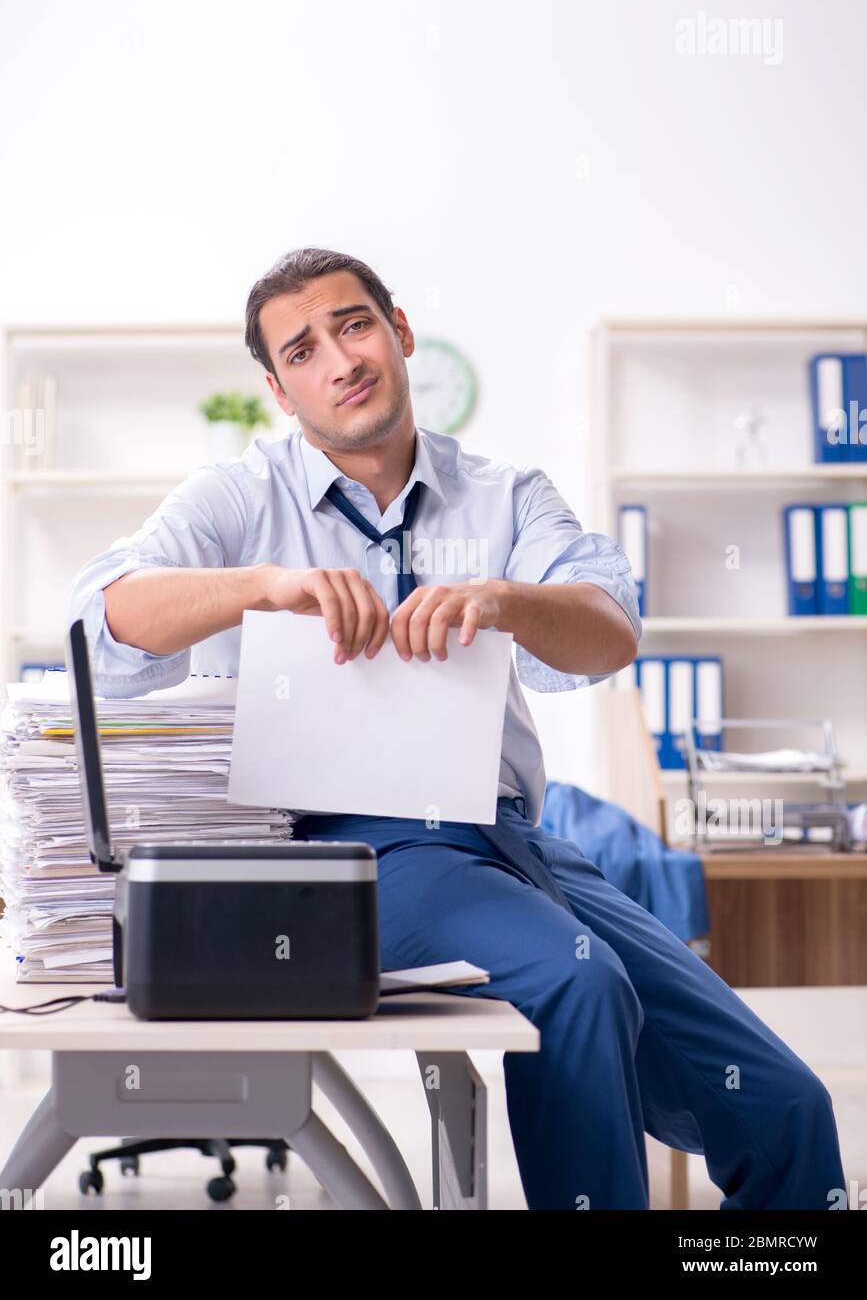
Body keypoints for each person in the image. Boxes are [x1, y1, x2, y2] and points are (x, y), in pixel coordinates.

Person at [67, 246, 846, 1210]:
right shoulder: (240, 498)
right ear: (278, 389)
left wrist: (505, 598)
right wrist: (266, 587)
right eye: (302, 350)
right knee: (578, 983)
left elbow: (608, 632)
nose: (340, 360)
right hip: (351, 857)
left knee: (788, 1108)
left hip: (509, 842)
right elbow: (101, 614)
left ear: (398, 332)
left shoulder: (505, 495)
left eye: (353, 326)